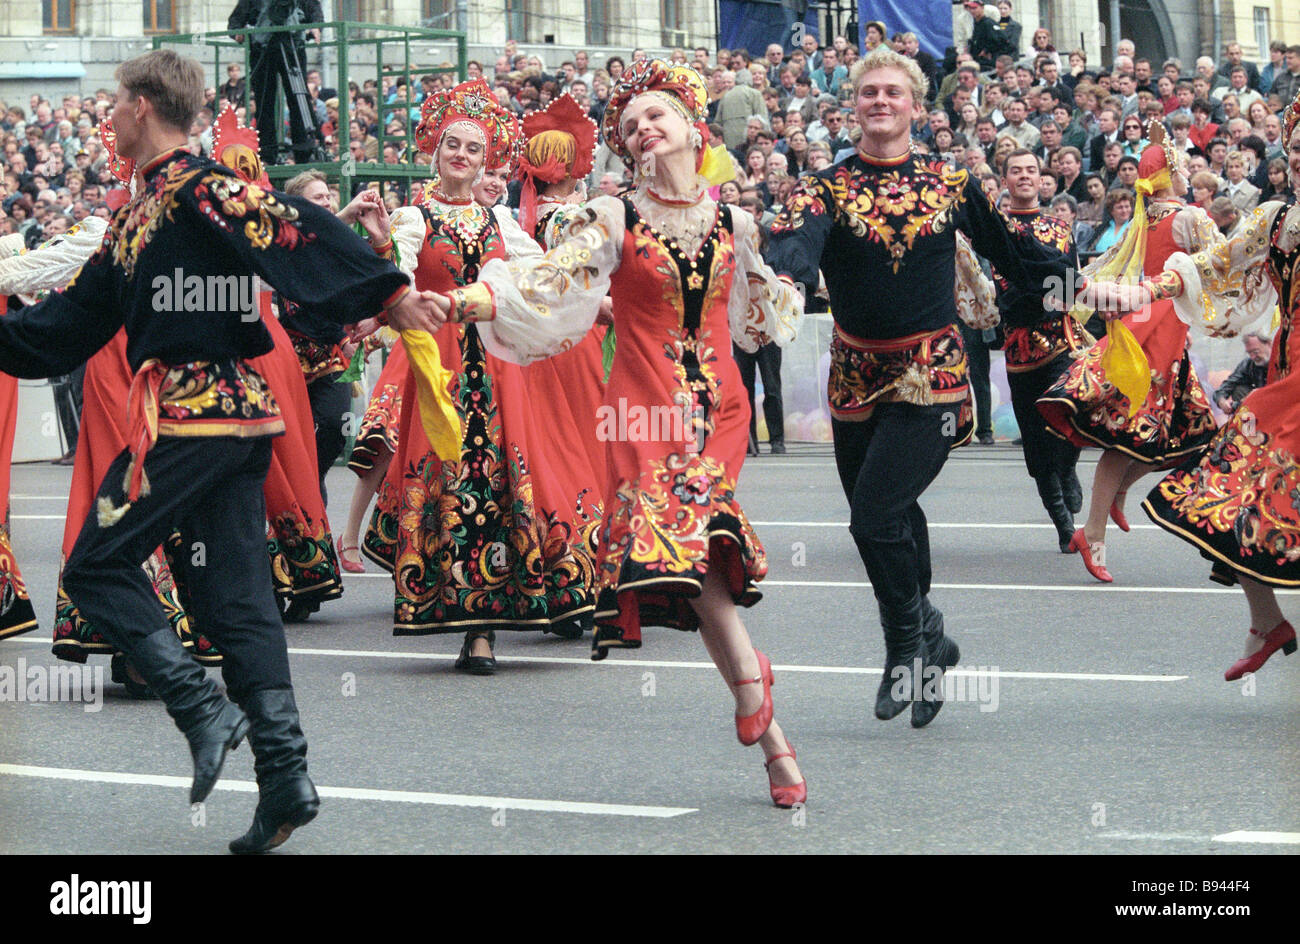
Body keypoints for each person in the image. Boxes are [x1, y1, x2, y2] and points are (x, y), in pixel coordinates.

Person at [0, 50, 440, 853]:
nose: (108, 117)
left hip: (193, 422)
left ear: (144, 106)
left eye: (116, 104)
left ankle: (201, 710)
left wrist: (390, 290)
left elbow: (296, 228)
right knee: (236, 603)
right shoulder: (136, 218)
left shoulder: (202, 188)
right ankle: (286, 779)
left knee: (97, 564)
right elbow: (61, 328)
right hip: (234, 429)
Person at [422, 60, 807, 805]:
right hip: (641, 410)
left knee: (701, 570)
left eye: (654, 118)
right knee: (681, 548)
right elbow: (546, 281)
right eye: (629, 128)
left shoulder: (737, 223)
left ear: (693, 130)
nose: (640, 132)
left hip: (718, 412)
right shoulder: (611, 218)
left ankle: (762, 715)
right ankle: (761, 706)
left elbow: (763, 309)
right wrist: (467, 298)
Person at [765, 48, 1076, 727]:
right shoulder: (822, 188)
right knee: (894, 515)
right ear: (854, 106)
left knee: (872, 516)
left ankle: (906, 642)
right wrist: (784, 282)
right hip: (854, 378)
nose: (881, 101)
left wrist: (1085, 288)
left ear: (915, 105)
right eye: (869, 92)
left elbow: (1017, 252)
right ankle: (927, 634)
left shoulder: (954, 181)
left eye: (893, 92)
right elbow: (793, 248)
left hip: (930, 376)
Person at [361, 79, 597, 667]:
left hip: (499, 371)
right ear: (434, 155)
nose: (462, 157)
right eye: (452, 147)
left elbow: (542, 274)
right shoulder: (415, 218)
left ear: (485, 159)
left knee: (503, 485)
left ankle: (487, 628)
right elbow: (396, 280)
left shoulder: (500, 224)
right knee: (451, 483)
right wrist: (382, 246)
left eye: (473, 149)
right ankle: (466, 615)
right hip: (439, 367)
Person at [1094, 90, 1300, 681]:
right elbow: (1210, 267)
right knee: (1240, 495)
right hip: (1288, 377)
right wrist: (1145, 292)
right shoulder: (1278, 220)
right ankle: (1266, 621)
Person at [1038, 122, 1222, 583]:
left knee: (1188, 435)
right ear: (1173, 174)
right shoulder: (1191, 217)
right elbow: (1222, 262)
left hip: (1154, 320)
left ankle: (1111, 502)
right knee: (1133, 436)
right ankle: (1094, 529)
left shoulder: (1143, 220)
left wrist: (1073, 289)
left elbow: (1103, 265)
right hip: (1162, 325)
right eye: (1182, 166)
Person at [995, 150, 1088, 551]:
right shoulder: (996, 230)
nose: (1024, 177)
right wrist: (1042, 293)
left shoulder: (1057, 227)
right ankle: (1064, 528)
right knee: (1035, 442)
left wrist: (1044, 294)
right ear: (1006, 179)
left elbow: (1070, 280)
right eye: (1016, 171)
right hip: (1020, 352)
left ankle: (1068, 469)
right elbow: (1005, 294)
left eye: (1031, 170)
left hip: (1062, 341)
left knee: (1071, 415)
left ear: (1041, 178)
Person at [227, 0, 325, 164]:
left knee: (298, 97)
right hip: (263, 47)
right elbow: (235, 22)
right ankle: (267, 152)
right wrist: (238, 32)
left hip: (292, 43)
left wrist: (315, 27)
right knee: (264, 100)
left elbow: (314, 10)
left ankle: (303, 150)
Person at [1214, 331, 1272, 413]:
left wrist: (1258, 394)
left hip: (1281, 407)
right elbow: (1229, 384)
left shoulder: (1284, 360)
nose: (1252, 357)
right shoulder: (1249, 364)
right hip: (1257, 408)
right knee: (1238, 389)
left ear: (1269, 344)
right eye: (1249, 353)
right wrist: (1221, 401)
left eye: (1256, 352)